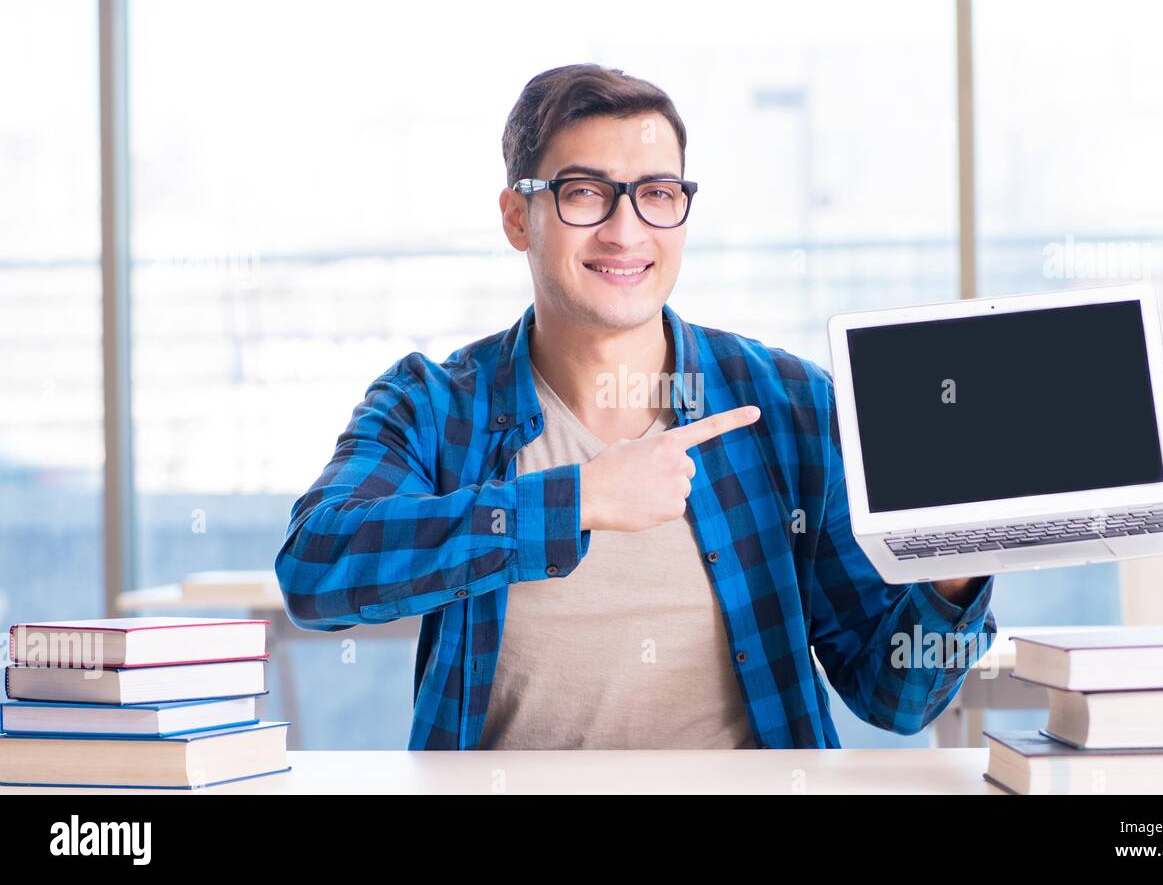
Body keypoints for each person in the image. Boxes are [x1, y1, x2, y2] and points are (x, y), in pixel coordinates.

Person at [275, 63, 996, 750]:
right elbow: (318, 569)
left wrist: (956, 565)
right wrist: (576, 500)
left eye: (656, 193)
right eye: (586, 192)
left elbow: (894, 696)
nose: (626, 231)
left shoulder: (790, 405)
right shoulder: (434, 406)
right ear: (517, 217)